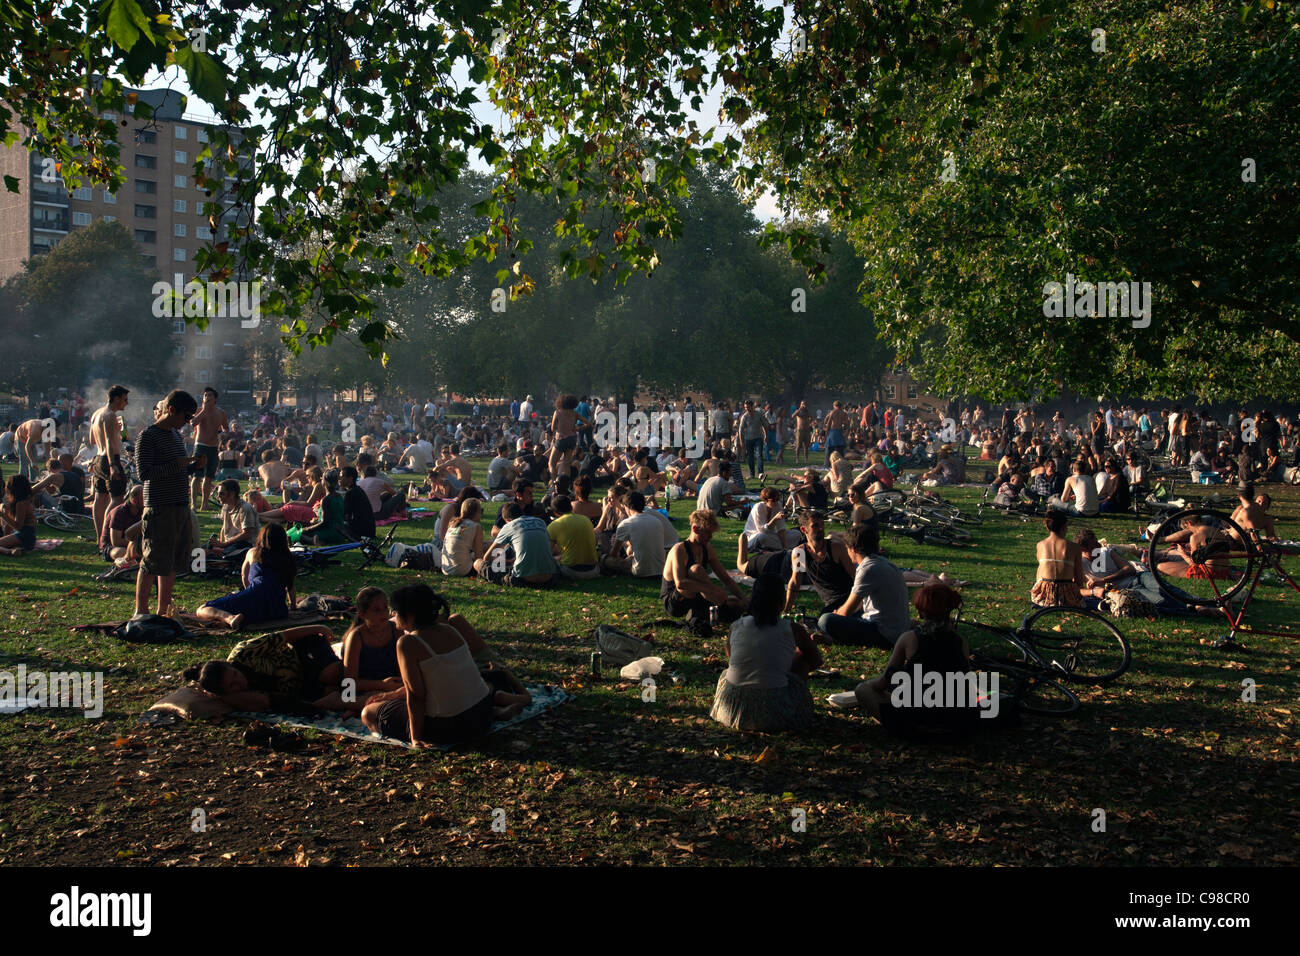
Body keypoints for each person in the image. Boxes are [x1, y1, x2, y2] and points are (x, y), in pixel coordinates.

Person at [360, 585, 532, 746]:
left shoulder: (407, 643)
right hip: (483, 714)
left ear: (410, 615)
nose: (390, 614)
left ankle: (492, 712)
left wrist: (416, 737)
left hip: (449, 727)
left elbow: (416, 695)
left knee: (368, 713)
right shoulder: (450, 629)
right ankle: (496, 712)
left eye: (392, 610)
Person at [850, 582, 980, 736]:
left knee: (863, 690)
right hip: (955, 722)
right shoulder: (961, 642)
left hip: (917, 720)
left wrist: (869, 685)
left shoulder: (909, 639)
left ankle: (895, 725)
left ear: (921, 612)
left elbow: (883, 682)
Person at [709, 573, 822, 732]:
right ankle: (796, 706)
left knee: (727, 674)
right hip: (775, 713)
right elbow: (816, 660)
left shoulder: (736, 626)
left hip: (731, 710)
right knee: (801, 660)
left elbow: (731, 658)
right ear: (782, 602)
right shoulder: (792, 629)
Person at [135, 390, 203, 618]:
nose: (187, 422)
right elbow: (144, 473)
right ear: (172, 410)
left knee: (172, 560)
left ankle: (163, 610)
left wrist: (195, 466)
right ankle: (141, 611)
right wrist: (178, 465)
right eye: (186, 417)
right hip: (159, 506)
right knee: (152, 560)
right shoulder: (148, 436)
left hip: (180, 505)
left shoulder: (175, 436)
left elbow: (180, 469)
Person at [185, 624, 349, 710]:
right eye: (232, 685)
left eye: (235, 675)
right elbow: (263, 702)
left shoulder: (243, 653)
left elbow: (282, 636)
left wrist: (318, 628)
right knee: (337, 695)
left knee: (330, 676)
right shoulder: (241, 696)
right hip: (303, 682)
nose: (239, 682)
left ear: (229, 665)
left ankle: (368, 670)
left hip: (302, 652)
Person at [816, 523, 910, 648]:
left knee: (825, 620)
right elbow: (859, 604)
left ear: (852, 549)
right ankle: (836, 637)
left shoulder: (867, 569)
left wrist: (837, 614)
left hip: (885, 634)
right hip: (896, 627)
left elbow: (847, 610)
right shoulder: (883, 562)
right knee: (831, 612)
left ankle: (836, 639)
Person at [661, 509, 748, 639]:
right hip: (675, 601)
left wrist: (743, 598)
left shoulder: (707, 548)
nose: (711, 537)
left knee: (738, 603)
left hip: (698, 595)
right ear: (695, 529)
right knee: (696, 569)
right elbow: (681, 584)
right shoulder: (679, 550)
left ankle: (712, 609)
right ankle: (711, 609)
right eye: (707, 533)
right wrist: (712, 590)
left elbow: (725, 578)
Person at [198, 524, 298, 629]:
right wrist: (293, 606)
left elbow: (244, 576)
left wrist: (247, 596)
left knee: (203, 609)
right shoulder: (288, 557)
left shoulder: (253, 552)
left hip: (254, 598)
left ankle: (230, 618)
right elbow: (290, 585)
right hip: (278, 610)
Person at [785, 511, 856, 617]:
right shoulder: (799, 552)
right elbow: (795, 582)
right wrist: (787, 609)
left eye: (822, 524)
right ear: (804, 530)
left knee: (825, 621)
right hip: (830, 604)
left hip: (850, 598)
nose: (821, 528)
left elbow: (856, 577)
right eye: (815, 526)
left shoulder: (836, 548)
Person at [340, 587, 405, 700]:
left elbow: (402, 667)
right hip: (362, 689)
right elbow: (348, 683)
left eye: (385, 607)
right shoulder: (357, 637)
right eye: (376, 610)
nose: (383, 613)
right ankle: (340, 702)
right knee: (368, 701)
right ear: (362, 614)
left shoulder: (396, 630)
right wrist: (382, 684)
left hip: (390, 687)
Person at [480, 502, 560, 587]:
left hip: (522, 579)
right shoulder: (540, 522)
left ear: (508, 520)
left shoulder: (509, 526)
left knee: (478, 563)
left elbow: (486, 557)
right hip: (549, 578)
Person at [89, 385, 130, 542]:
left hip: (98, 458)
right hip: (110, 459)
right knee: (116, 499)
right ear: (117, 398)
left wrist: (116, 431)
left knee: (99, 498)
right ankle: (106, 538)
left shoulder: (96, 414)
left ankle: (100, 537)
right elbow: (108, 441)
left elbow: (93, 440)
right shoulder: (110, 414)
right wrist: (113, 465)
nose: (127, 403)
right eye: (125, 400)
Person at [601, 491, 668, 578]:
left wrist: (614, 545)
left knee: (605, 560)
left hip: (640, 571)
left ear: (627, 507)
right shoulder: (656, 521)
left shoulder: (626, 523)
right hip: (660, 570)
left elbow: (614, 554)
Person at [1031, 510, 1085, 607]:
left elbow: (1039, 574)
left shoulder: (1040, 545)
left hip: (1044, 594)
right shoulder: (1074, 547)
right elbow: (1079, 580)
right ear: (1065, 527)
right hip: (1067, 594)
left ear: (1047, 526)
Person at [189, 387, 228, 512]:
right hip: (200, 446)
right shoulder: (200, 410)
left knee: (209, 477)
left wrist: (223, 434)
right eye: (205, 395)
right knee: (196, 476)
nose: (207, 397)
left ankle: (204, 504)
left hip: (213, 447)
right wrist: (204, 410)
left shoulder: (221, 413)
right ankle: (193, 504)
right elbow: (193, 423)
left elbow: (226, 428)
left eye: (210, 395)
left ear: (215, 398)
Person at [548, 494, 601, 579]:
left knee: (553, 559)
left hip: (570, 571)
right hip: (593, 570)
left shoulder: (554, 525)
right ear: (571, 507)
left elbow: (547, 552)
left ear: (555, 512)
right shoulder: (586, 520)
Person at [207, 479, 259, 558]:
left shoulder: (245, 508)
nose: (218, 496)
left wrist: (224, 544)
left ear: (232, 494)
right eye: (218, 494)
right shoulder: (226, 506)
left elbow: (246, 534)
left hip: (245, 544)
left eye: (221, 494)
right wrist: (221, 544)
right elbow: (224, 528)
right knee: (203, 549)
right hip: (230, 544)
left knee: (220, 554)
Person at [299, 470, 349, 545]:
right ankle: (318, 540)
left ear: (324, 481)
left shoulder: (326, 499)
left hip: (330, 532)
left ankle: (314, 540)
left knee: (299, 535)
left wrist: (307, 529)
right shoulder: (339, 497)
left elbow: (324, 523)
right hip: (340, 534)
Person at [440, 497, 486, 577]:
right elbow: (478, 555)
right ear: (477, 512)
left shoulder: (453, 524)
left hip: (445, 568)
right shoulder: (476, 526)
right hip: (463, 570)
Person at [0, 474, 37, 555]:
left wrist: (3, 515)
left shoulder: (21, 504)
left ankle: (9, 552)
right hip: (28, 535)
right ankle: (16, 549)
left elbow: (18, 526)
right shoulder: (26, 501)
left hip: (24, 535)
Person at [339, 465, 376, 539]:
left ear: (350, 478)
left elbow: (344, 514)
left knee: (336, 525)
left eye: (342, 476)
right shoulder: (358, 490)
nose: (339, 478)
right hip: (369, 531)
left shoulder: (350, 493)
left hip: (361, 531)